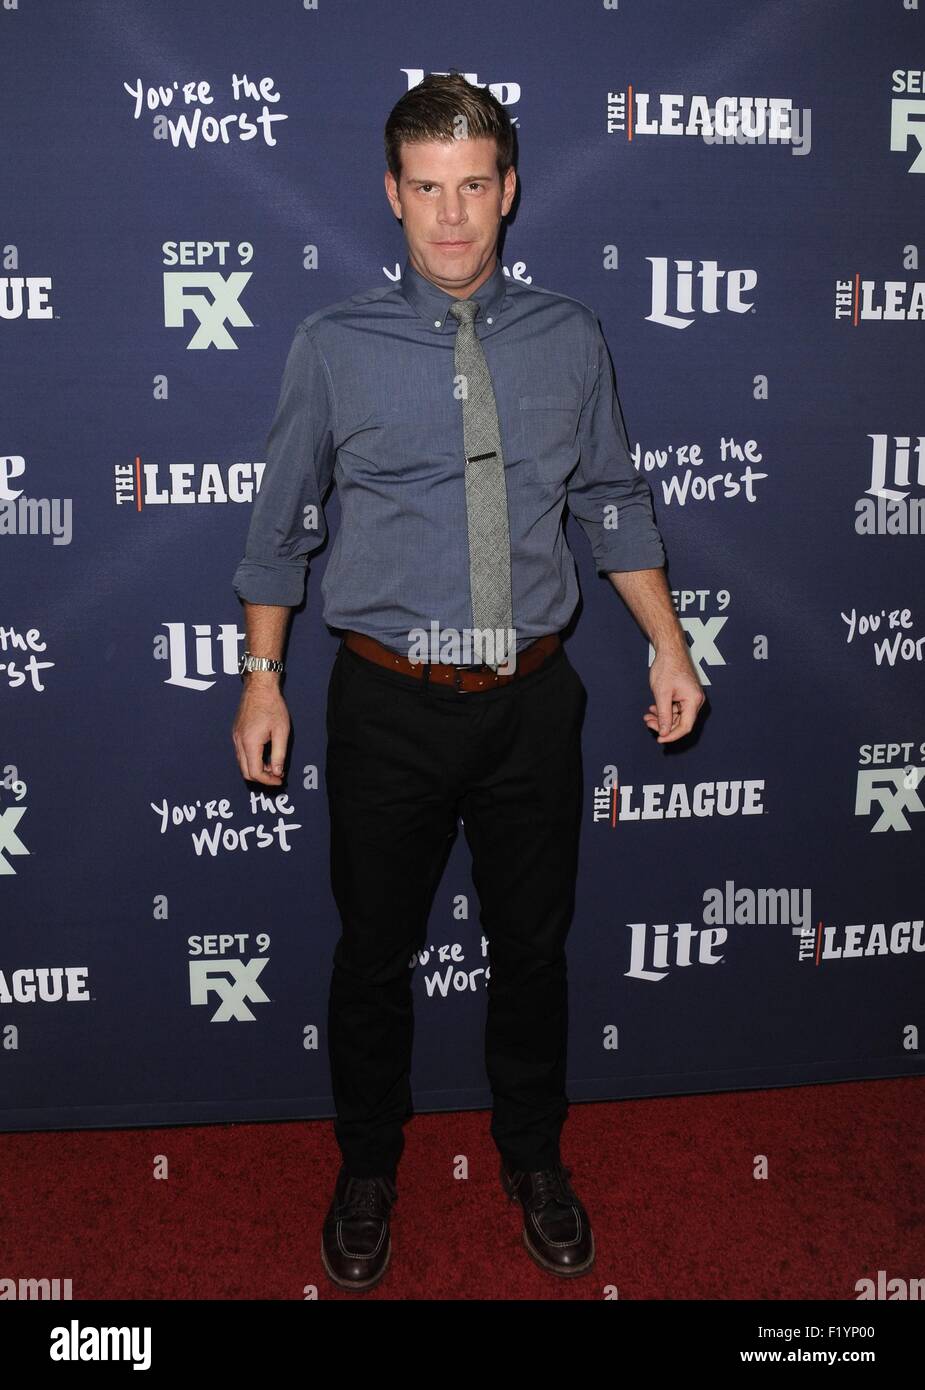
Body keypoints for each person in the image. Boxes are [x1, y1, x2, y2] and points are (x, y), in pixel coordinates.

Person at [231, 71, 705, 1293]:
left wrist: (667, 638)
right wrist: (263, 676)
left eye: (474, 188)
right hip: (383, 703)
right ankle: (369, 1169)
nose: (452, 218)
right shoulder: (331, 345)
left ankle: (533, 1159)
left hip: (533, 706)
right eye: (427, 191)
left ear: (510, 190)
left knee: (532, 953)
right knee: (373, 955)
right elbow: (280, 525)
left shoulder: (571, 336)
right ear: (393, 195)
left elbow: (611, 499)